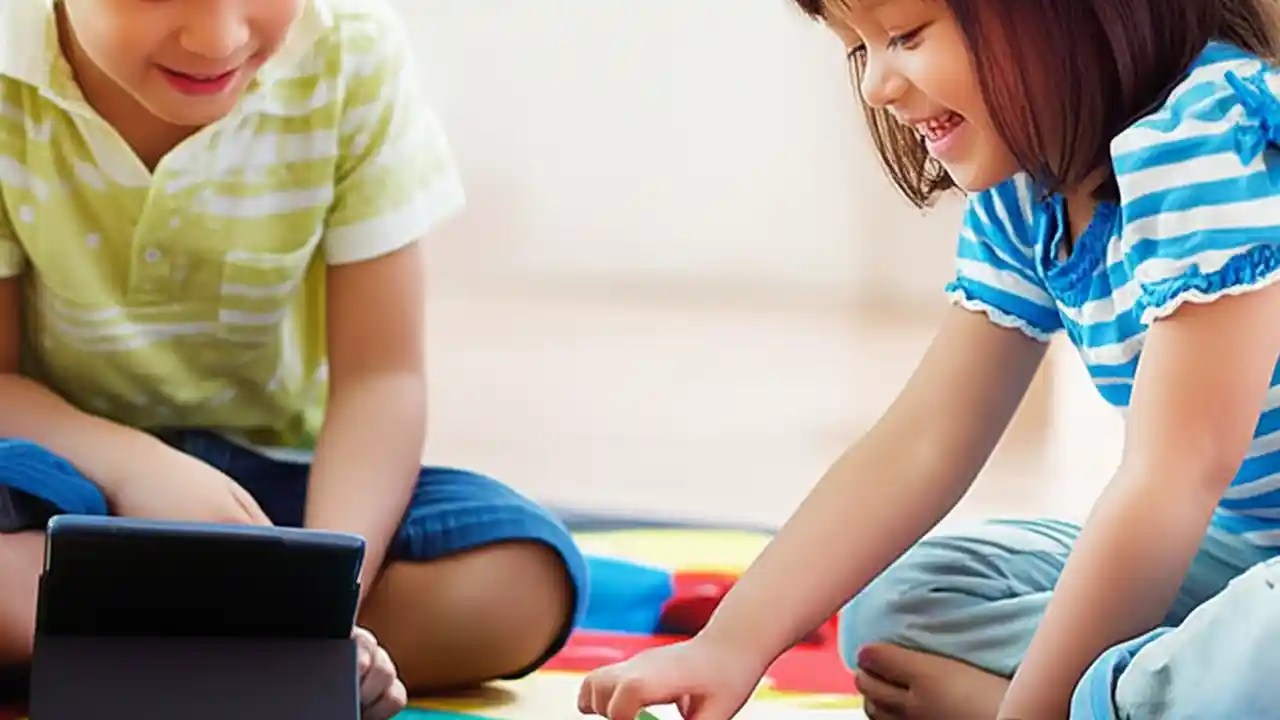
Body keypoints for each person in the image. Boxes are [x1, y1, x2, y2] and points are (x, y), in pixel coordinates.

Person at [578, 0, 1280, 718]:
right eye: (862, 50)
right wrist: (730, 646)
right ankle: (1132, 696)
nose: (878, 85)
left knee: (1261, 640)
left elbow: (1175, 477)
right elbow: (925, 440)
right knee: (899, 606)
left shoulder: (1207, 139)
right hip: (1239, 553)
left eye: (906, 37)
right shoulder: (1029, 192)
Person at [0, 0, 588, 717]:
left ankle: (142, 646)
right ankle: (246, 656)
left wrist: (323, 595)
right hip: (57, 484)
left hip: (282, 497)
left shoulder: (352, 56)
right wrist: (134, 468)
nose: (217, 38)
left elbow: (381, 381)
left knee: (522, 581)